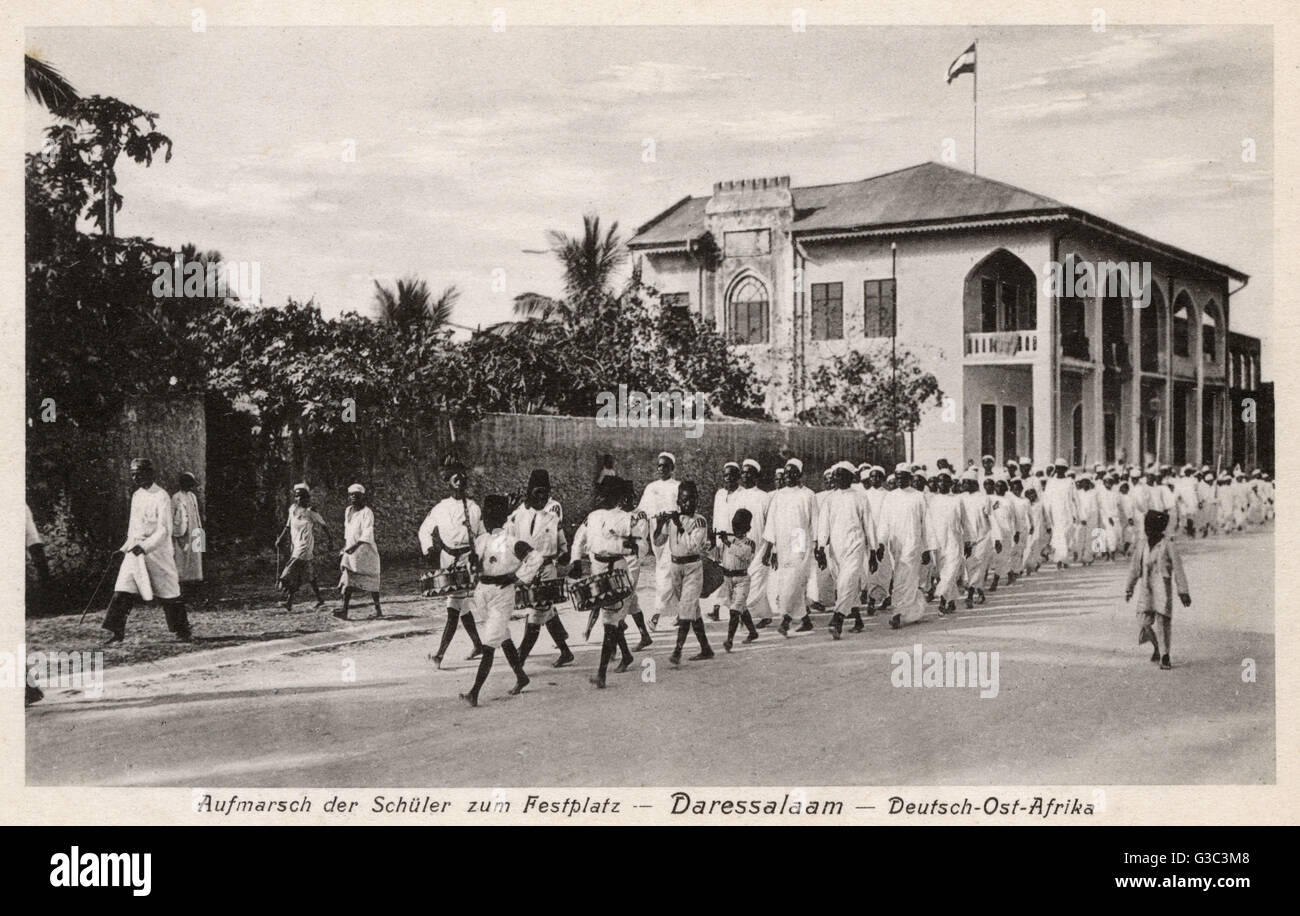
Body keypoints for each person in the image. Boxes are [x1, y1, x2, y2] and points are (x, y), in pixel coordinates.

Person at [102, 458, 192, 644]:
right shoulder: (136, 496)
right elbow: (133, 530)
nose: (136, 477)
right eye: (133, 474)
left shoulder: (162, 496)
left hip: (157, 553)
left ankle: (182, 630)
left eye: (139, 473)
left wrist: (144, 547)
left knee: (169, 593)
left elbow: (163, 530)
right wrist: (123, 549)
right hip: (134, 551)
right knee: (123, 589)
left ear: (150, 473)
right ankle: (116, 632)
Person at [460, 495, 539, 706]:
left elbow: (535, 558)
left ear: (501, 517)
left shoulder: (510, 541)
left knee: (489, 643)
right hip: (483, 592)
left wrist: (516, 577)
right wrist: (472, 564)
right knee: (502, 636)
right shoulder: (481, 540)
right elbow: (474, 568)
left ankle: (474, 691)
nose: (487, 520)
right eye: (486, 515)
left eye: (491, 515)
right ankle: (521, 677)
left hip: (502, 595)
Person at [570, 476, 639, 687]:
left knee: (610, 620)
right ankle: (626, 655)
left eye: (606, 493)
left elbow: (636, 545)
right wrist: (575, 559)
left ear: (615, 496)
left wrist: (625, 545)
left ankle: (601, 674)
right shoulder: (592, 516)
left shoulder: (625, 518)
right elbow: (579, 538)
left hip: (616, 569)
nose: (601, 496)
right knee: (610, 617)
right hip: (597, 568)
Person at [421, 458, 486, 667]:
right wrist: (429, 549)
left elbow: (483, 535)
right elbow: (424, 530)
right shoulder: (440, 508)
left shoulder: (474, 508)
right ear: (448, 482)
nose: (460, 482)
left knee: (453, 608)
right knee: (462, 604)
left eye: (463, 478)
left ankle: (439, 655)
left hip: (468, 561)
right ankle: (478, 645)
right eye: (455, 479)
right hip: (448, 560)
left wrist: (480, 554)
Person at [509, 469, 574, 669]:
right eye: (538, 492)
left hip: (546, 571)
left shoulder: (552, 517)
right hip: (526, 570)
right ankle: (565, 651)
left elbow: (563, 547)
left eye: (545, 493)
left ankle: (519, 659)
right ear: (529, 492)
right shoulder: (516, 516)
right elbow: (508, 542)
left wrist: (565, 557)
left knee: (537, 614)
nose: (542, 497)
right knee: (547, 611)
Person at [1125, 509, 1190, 670]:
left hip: (1163, 589)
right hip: (1146, 589)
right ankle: (1156, 646)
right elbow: (1134, 569)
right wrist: (1129, 588)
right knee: (1144, 622)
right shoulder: (1141, 546)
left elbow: (1178, 569)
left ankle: (1165, 655)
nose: (1148, 532)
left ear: (1159, 529)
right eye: (1146, 528)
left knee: (1163, 622)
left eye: (1150, 528)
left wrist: (1183, 591)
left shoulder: (1168, 546)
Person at [657, 481, 713, 664]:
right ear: (678, 502)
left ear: (697, 500)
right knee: (692, 609)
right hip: (676, 568)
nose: (688, 504)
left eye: (692, 500)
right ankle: (706, 648)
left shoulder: (699, 521)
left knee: (686, 608)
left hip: (692, 568)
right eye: (684, 500)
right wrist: (659, 525)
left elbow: (692, 546)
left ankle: (677, 651)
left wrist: (678, 524)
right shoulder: (673, 519)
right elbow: (658, 542)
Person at [815, 461, 872, 639]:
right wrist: (820, 548)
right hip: (836, 549)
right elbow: (823, 525)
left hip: (855, 545)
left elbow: (869, 524)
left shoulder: (860, 497)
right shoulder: (829, 499)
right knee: (844, 584)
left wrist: (875, 549)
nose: (837, 479)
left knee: (848, 580)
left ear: (850, 477)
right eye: (835, 475)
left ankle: (837, 619)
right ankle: (858, 620)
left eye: (841, 475)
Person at [763, 458, 818, 636]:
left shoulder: (808, 495)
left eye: (793, 472)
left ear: (800, 475)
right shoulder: (779, 495)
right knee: (787, 580)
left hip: (798, 539)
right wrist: (769, 548)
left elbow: (815, 522)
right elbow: (771, 522)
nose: (788, 476)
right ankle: (805, 620)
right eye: (786, 473)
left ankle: (785, 619)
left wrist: (818, 544)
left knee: (793, 579)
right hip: (782, 542)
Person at [877, 463, 930, 629]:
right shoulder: (890, 497)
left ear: (910, 478)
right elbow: (884, 523)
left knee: (904, 576)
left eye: (903, 477)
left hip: (913, 543)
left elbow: (926, 524)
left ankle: (898, 613)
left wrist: (927, 548)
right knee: (903, 577)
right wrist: (881, 543)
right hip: (895, 544)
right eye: (897, 477)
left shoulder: (919, 496)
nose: (899, 480)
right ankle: (914, 609)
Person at [637, 451, 681, 631]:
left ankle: (656, 614)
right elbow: (642, 511)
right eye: (659, 465)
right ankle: (681, 612)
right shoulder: (651, 487)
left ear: (672, 468)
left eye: (666, 465)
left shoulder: (678, 486)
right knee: (667, 571)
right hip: (656, 534)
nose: (662, 468)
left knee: (666, 571)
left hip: (673, 532)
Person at [276, 483, 332, 610]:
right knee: (307, 575)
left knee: (290, 570)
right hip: (295, 545)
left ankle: (283, 583)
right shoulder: (292, 509)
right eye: (297, 496)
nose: (299, 499)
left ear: (307, 498)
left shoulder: (311, 512)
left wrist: (330, 541)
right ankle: (318, 599)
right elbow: (288, 526)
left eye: (302, 496)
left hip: (305, 546)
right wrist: (280, 538)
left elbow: (324, 525)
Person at [734, 458, 773, 628]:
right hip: (742, 547)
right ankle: (765, 614)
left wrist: (768, 551)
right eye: (743, 472)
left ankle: (743, 614)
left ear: (756, 476)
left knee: (755, 582)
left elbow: (771, 525)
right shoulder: (738, 496)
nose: (745, 475)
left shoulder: (764, 497)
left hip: (761, 547)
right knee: (746, 581)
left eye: (749, 473)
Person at [716, 508, 759, 651]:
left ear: (747, 528)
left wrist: (727, 543)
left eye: (740, 527)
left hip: (742, 580)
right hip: (728, 579)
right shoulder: (729, 541)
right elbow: (717, 556)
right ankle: (753, 632)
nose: (736, 530)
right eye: (734, 527)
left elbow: (744, 554)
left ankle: (729, 641)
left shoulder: (750, 543)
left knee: (734, 610)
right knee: (741, 608)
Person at [338, 483, 382, 620]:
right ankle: (344, 610)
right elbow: (348, 532)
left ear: (363, 497)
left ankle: (378, 609)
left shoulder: (367, 512)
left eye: (356, 496)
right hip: (350, 551)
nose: (353, 498)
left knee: (372, 580)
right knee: (348, 579)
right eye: (351, 495)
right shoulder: (348, 511)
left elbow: (367, 532)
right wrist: (346, 546)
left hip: (365, 551)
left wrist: (354, 547)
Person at [927, 470, 969, 613]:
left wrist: (968, 541)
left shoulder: (957, 500)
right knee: (943, 571)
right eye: (939, 481)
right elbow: (928, 524)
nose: (942, 484)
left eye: (945, 481)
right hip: (937, 542)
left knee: (950, 571)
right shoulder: (932, 500)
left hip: (954, 541)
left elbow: (965, 522)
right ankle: (951, 601)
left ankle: (942, 600)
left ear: (951, 484)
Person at [709, 461, 744, 621]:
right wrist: (714, 539)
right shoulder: (719, 494)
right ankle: (718, 607)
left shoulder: (743, 494)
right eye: (726, 475)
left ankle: (732, 608)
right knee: (722, 573)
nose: (728, 478)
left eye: (732, 475)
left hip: (735, 540)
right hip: (720, 540)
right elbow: (716, 517)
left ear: (738, 477)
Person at [959, 469, 993, 607]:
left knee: (978, 565)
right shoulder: (961, 498)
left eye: (966, 482)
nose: (963, 485)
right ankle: (981, 592)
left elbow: (992, 519)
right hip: (967, 539)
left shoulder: (984, 498)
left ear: (974, 483)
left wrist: (996, 539)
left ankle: (970, 595)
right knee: (970, 566)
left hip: (983, 537)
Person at [170, 471, 204, 595]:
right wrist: (175, 529)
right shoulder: (176, 497)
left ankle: (195, 585)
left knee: (196, 556)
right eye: (188, 483)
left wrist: (200, 529)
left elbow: (196, 513)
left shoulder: (192, 496)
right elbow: (172, 515)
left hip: (195, 528)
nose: (191, 486)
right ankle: (183, 585)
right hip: (183, 530)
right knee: (182, 557)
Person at [1042, 458, 1078, 569]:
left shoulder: (1070, 482)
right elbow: (1046, 499)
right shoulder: (1051, 482)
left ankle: (1064, 559)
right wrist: (1048, 515)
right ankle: (1059, 560)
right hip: (1055, 513)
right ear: (1055, 469)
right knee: (1058, 536)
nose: (1060, 470)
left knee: (1066, 536)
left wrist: (1075, 514)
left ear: (1065, 469)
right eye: (1058, 468)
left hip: (1067, 513)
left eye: (1062, 469)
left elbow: (1075, 499)